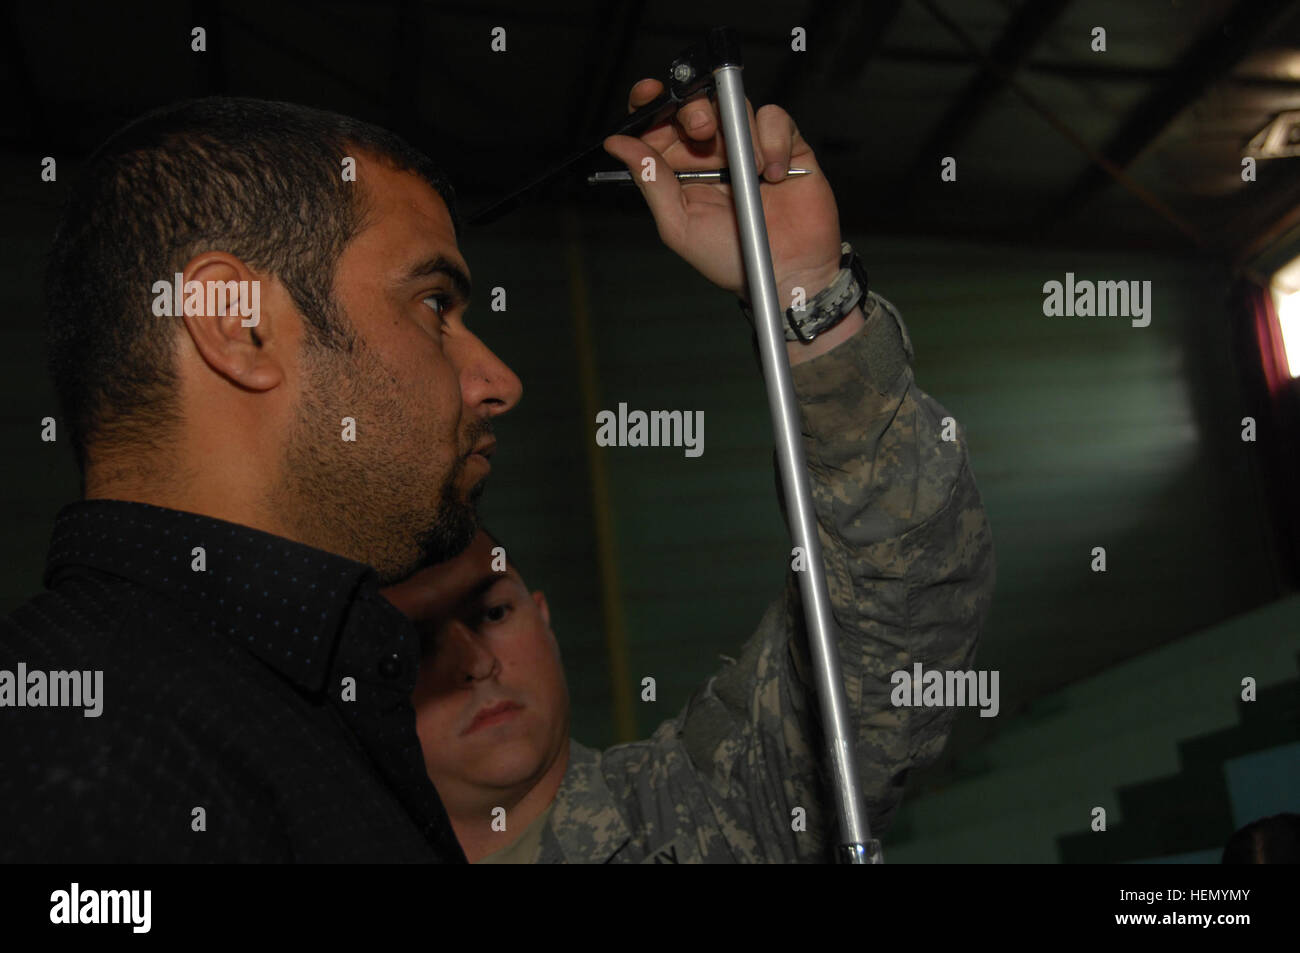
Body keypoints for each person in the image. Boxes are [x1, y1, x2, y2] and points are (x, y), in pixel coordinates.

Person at [379, 79, 997, 862]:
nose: (475, 662)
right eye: (416, 646)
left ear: (544, 619)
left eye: (493, 611)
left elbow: (897, 607)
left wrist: (807, 298)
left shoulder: (708, 814)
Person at [0, 97, 521, 861]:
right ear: (236, 323)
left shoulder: (285, 701)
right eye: (433, 305)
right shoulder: (89, 765)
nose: (498, 380)